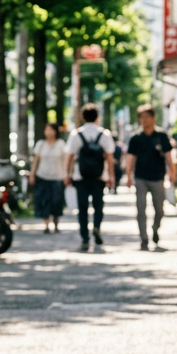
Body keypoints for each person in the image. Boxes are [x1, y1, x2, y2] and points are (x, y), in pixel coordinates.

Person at [125, 104, 177, 250]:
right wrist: (128, 176)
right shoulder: (136, 138)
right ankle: (143, 238)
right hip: (140, 177)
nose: (145, 120)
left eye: (148, 117)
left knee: (159, 209)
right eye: (142, 117)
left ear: (153, 118)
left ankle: (155, 229)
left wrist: (172, 173)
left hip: (158, 177)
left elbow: (168, 157)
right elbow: (131, 158)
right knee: (140, 209)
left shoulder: (161, 136)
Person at [64, 104, 115, 252]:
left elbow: (70, 157)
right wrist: (111, 176)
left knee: (83, 208)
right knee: (99, 205)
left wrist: (67, 175)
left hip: (80, 177)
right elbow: (109, 157)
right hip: (99, 177)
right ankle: (97, 227)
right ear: (97, 117)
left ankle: (85, 238)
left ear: (82, 117)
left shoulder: (76, 134)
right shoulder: (104, 134)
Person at [30, 123, 67, 233]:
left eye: (51, 130)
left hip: (58, 177)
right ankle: (46, 225)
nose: (49, 132)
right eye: (47, 130)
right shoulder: (40, 144)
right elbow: (35, 161)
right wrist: (32, 174)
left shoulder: (61, 144)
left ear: (56, 131)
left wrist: (67, 175)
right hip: (42, 176)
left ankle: (56, 223)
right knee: (44, 201)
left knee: (56, 201)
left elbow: (65, 160)